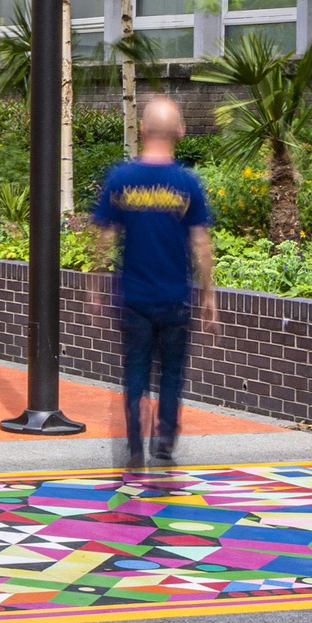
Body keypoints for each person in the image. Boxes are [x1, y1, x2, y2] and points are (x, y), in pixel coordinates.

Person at [89, 95, 216, 469]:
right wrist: (209, 294)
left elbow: (103, 239)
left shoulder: (121, 179)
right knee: (172, 372)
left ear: (142, 129)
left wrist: (95, 288)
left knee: (136, 372)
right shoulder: (186, 183)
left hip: (134, 297)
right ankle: (164, 439)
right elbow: (200, 242)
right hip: (176, 297)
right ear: (181, 131)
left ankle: (133, 445)